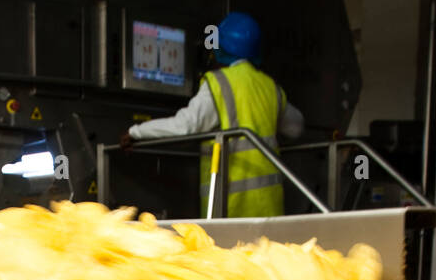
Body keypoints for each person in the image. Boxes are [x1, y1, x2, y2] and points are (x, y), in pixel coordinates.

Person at [121, 11, 303, 217]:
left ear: (221, 47)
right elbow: (296, 128)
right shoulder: (270, 87)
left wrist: (136, 132)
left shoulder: (219, 83)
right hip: (270, 206)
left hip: (232, 207)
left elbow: (186, 126)